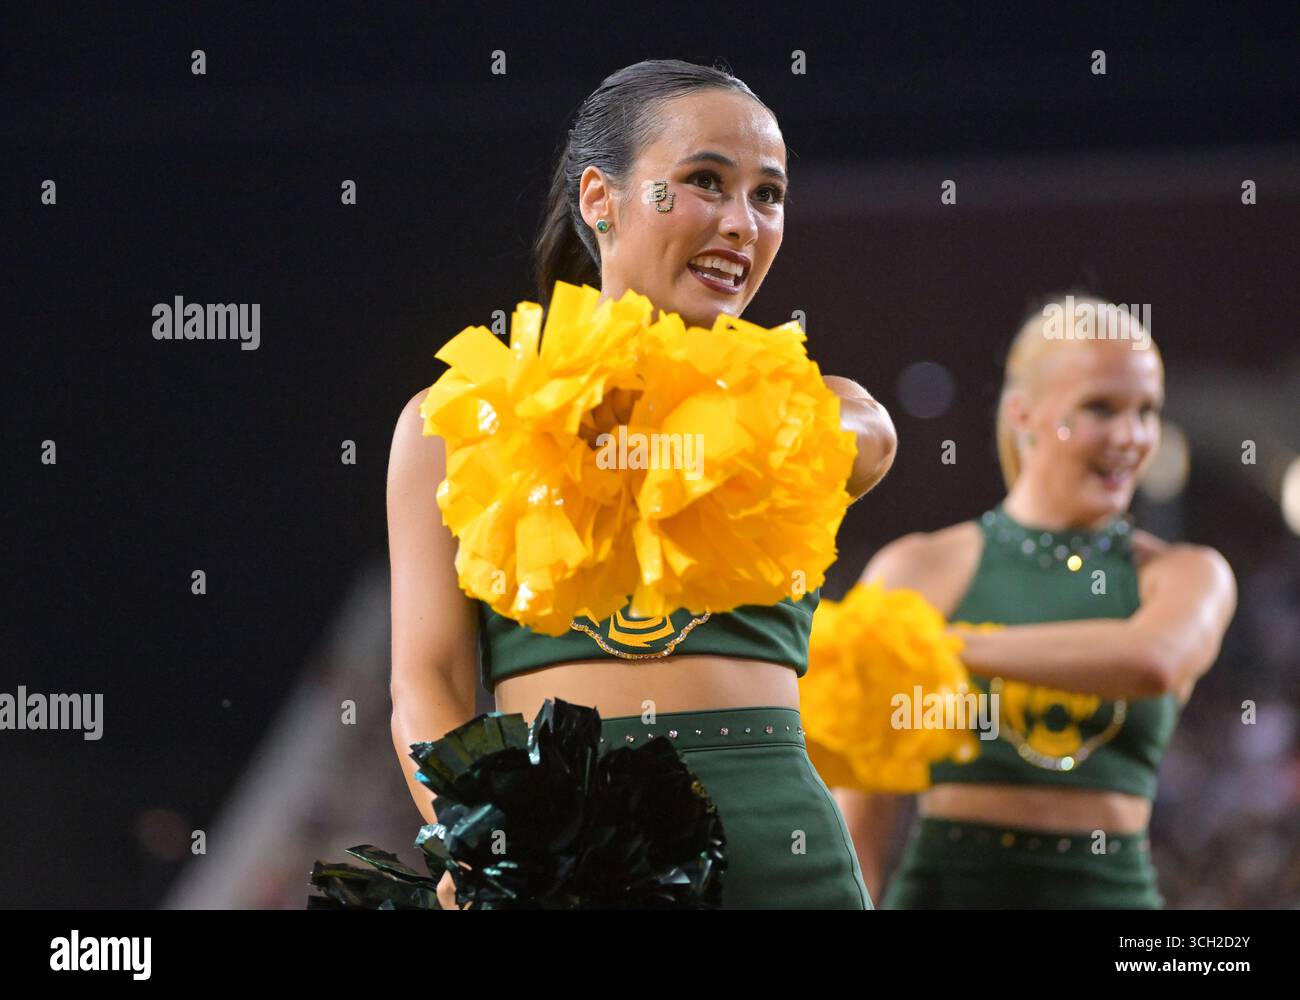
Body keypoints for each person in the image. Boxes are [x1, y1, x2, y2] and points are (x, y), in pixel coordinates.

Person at [387, 59, 897, 909]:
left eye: (767, 196)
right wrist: (485, 844)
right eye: (705, 181)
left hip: (786, 860)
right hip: (572, 861)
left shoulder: (817, 406)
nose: (742, 223)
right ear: (601, 198)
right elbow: (427, 680)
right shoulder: (457, 418)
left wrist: (670, 435)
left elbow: (867, 438)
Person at [835, 294, 1236, 908]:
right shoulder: (918, 567)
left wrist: (937, 646)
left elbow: (1151, 659)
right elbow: (862, 813)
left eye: (1147, 411)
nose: (1131, 437)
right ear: (1022, 413)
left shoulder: (1186, 574)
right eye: (1100, 407)